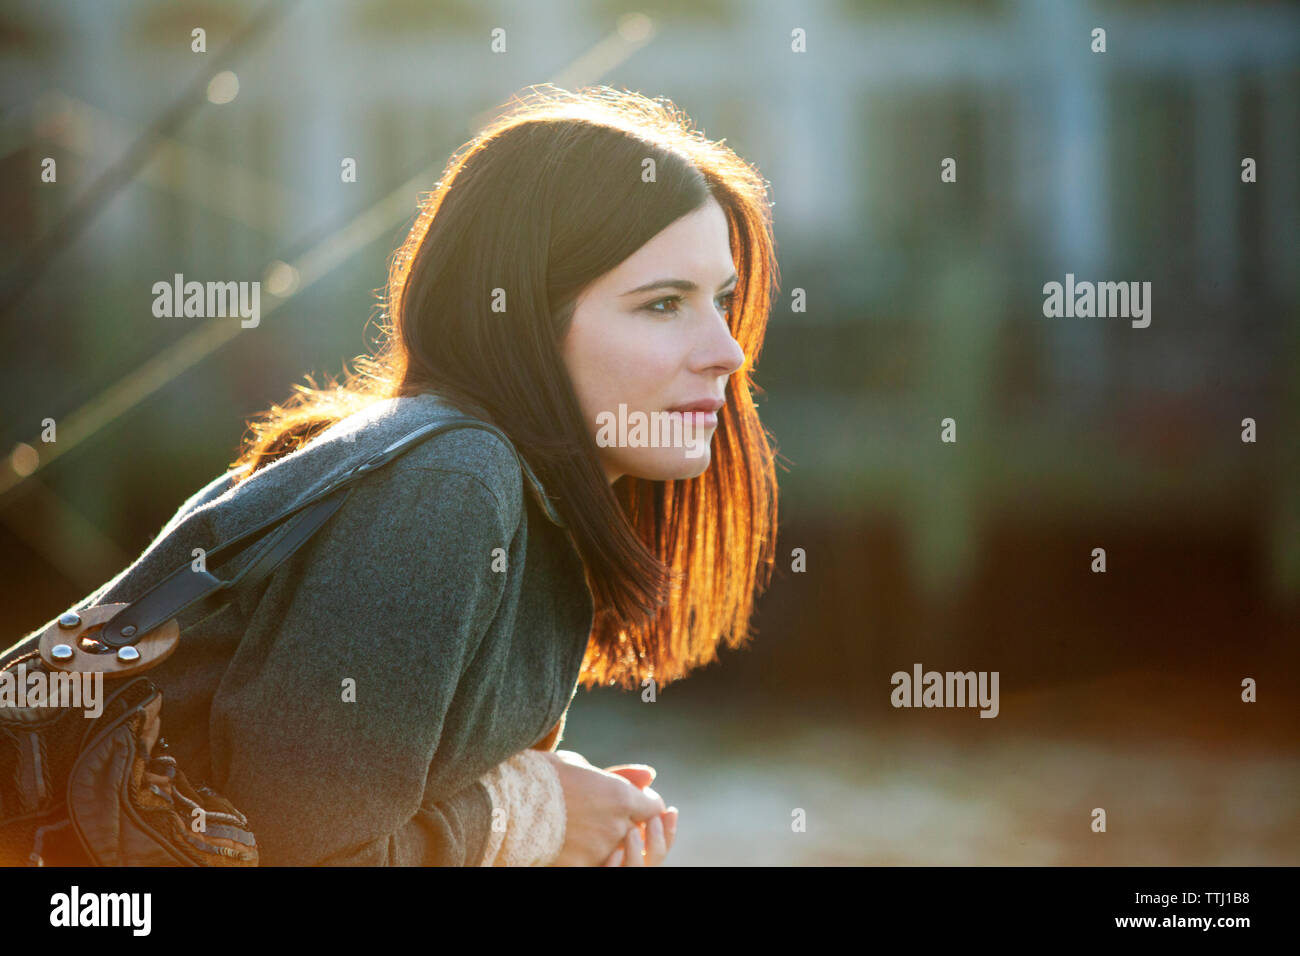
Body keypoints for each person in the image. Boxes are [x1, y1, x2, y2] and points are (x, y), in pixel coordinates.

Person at [6, 84, 779, 866]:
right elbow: (302, 857)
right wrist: (532, 814)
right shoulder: (450, 482)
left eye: (723, 300)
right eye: (662, 305)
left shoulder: (481, 486)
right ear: (523, 321)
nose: (728, 350)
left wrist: (539, 794)